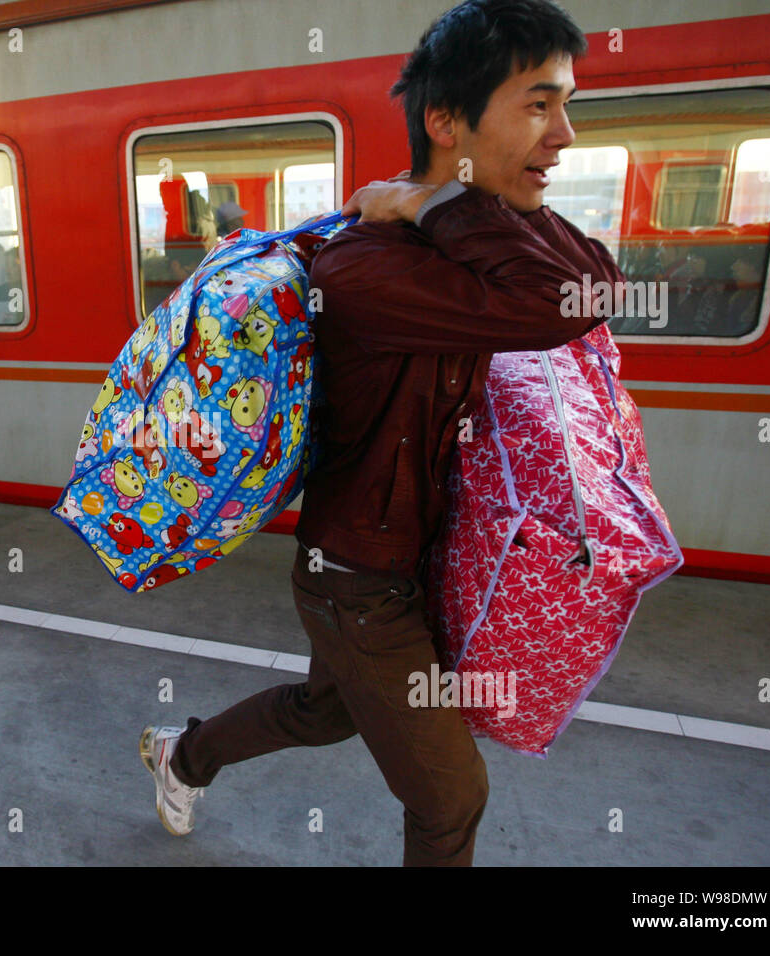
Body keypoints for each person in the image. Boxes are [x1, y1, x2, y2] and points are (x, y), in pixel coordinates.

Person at [140, 0, 617, 865]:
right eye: (539, 104)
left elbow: (595, 281)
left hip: (416, 561)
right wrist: (438, 203)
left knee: (328, 711)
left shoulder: (458, 236)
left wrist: (447, 199)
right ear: (445, 119)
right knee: (450, 794)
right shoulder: (368, 268)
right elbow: (559, 304)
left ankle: (182, 753)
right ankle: (184, 753)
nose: (565, 134)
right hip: (354, 578)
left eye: (566, 104)